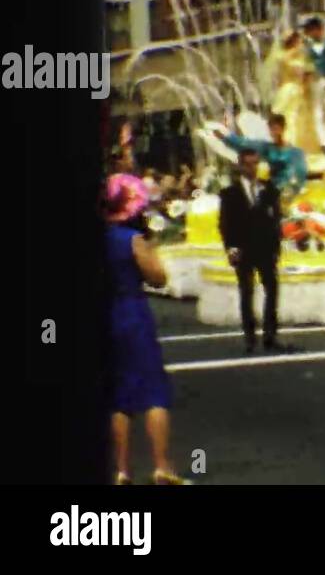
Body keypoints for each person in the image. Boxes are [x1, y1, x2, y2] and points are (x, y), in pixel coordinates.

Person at [104, 173, 189, 485]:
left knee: (118, 396)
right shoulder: (132, 240)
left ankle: (122, 469)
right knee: (153, 390)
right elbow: (158, 278)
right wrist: (151, 249)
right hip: (132, 312)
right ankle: (162, 466)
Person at [219, 148, 288, 354]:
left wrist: (277, 246)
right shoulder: (230, 193)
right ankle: (250, 337)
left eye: (256, 163)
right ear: (240, 165)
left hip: (266, 249)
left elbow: (276, 219)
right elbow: (225, 223)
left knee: (272, 290)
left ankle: (270, 335)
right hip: (243, 249)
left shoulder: (269, 189)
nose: (253, 168)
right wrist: (231, 248)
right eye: (248, 164)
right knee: (246, 292)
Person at [216, 114, 308, 196]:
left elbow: (297, 175)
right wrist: (225, 138)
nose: (274, 133)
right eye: (271, 130)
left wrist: (286, 189)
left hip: (288, 191)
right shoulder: (268, 148)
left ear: (283, 129)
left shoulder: (296, 153)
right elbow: (245, 144)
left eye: (276, 129)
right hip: (272, 191)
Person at [270, 31, 324, 154]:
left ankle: (305, 148)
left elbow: (308, 73)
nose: (300, 43)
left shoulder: (298, 56)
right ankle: (289, 146)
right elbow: (296, 72)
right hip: (290, 91)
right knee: (290, 119)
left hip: (297, 91)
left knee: (301, 120)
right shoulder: (285, 56)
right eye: (297, 40)